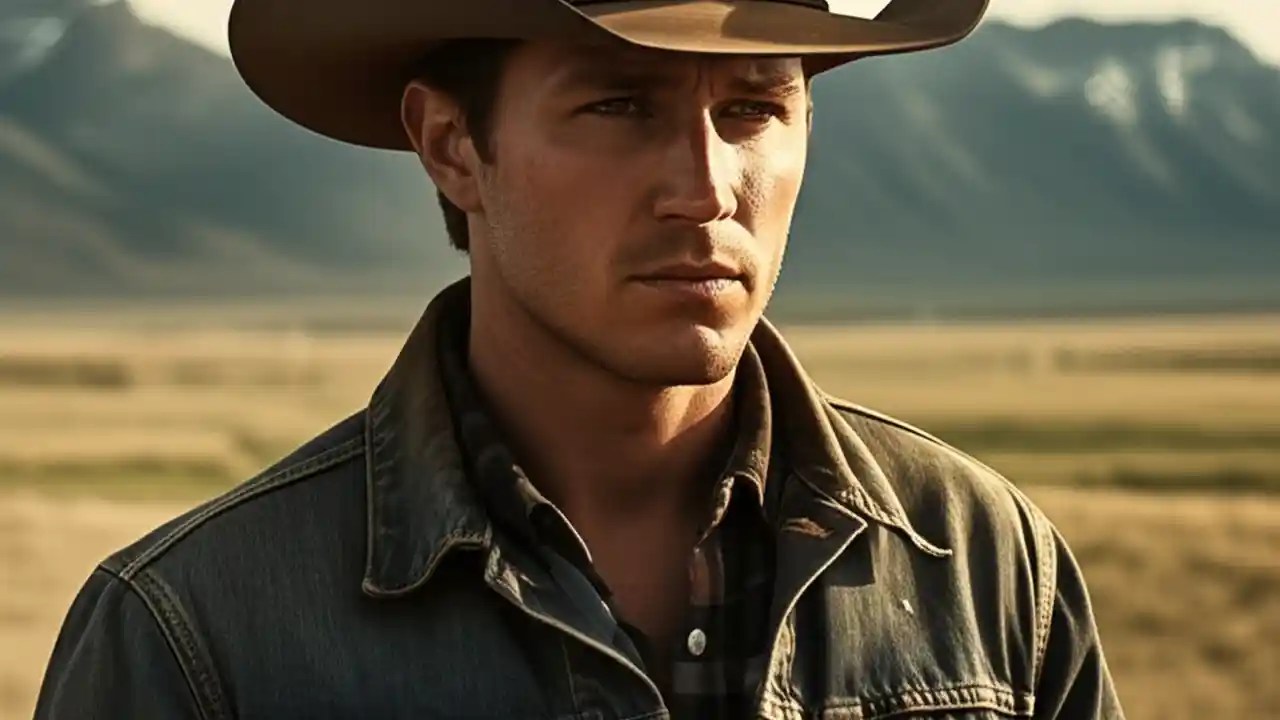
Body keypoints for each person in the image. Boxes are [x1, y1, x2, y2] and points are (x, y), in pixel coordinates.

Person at [36, 0, 1125, 717]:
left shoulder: (982, 566)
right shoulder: (199, 633)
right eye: (616, 105)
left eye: (751, 108)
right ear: (452, 146)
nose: (703, 189)